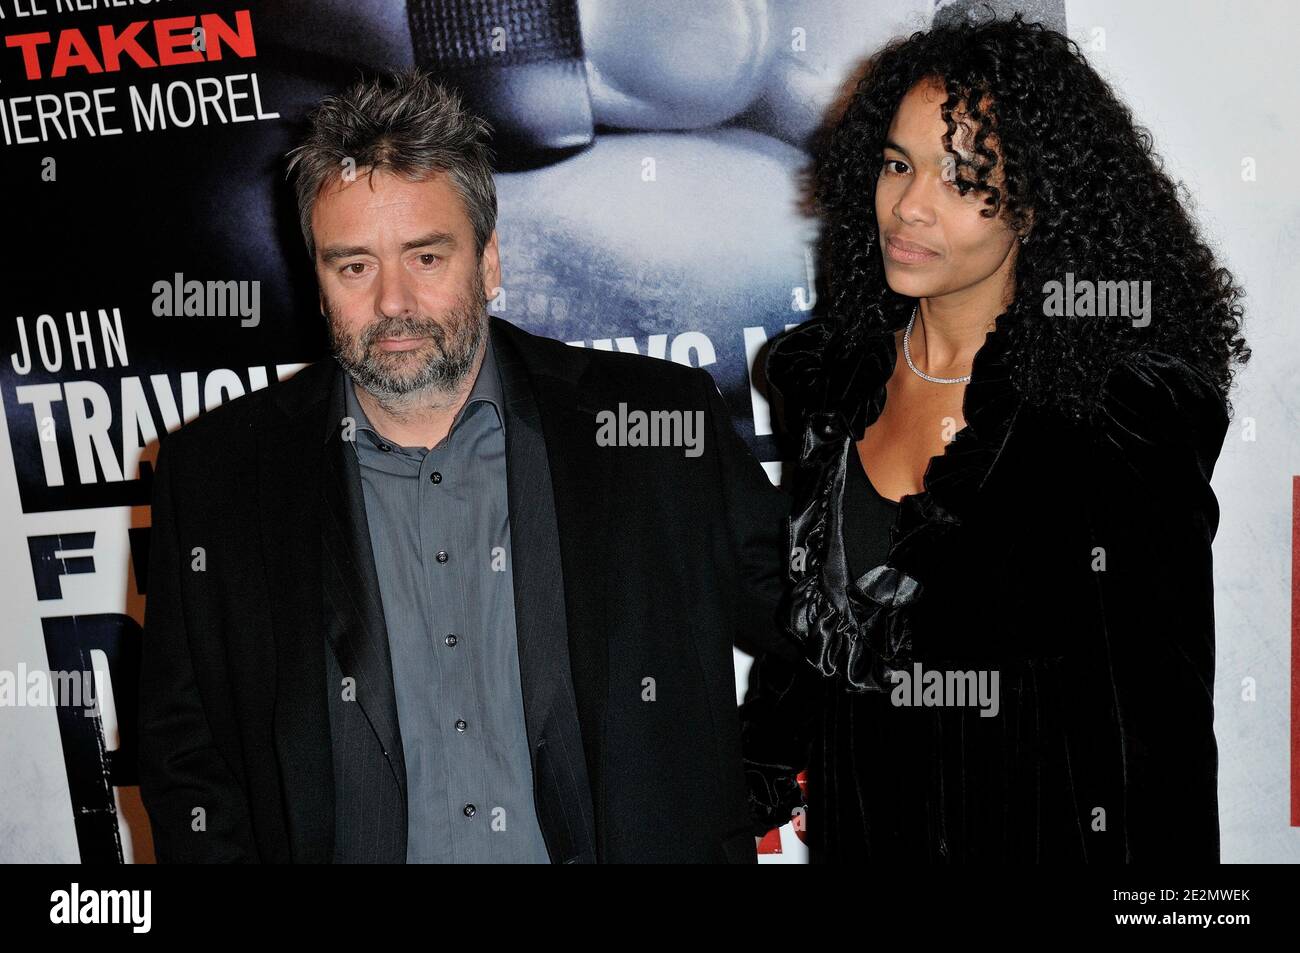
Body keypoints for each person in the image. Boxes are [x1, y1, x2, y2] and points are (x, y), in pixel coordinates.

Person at [137, 68, 794, 863]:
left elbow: (813, 632)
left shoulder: (657, 426)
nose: (391, 303)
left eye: (425, 257)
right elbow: (185, 753)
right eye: (354, 266)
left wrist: (739, 783)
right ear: (318, 283)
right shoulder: (215, 476)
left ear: (488, 262)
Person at [741, 14, 1249, 862]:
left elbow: (1159, 729)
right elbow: (821, 630)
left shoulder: (1113, 412)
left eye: (963, 176)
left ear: (1038, 202)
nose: (908, 206)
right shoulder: (835, 376)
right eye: (898, 163)